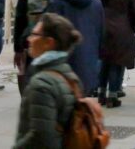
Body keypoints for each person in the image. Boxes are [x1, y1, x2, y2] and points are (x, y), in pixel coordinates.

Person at [14, 13, 85, 149]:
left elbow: (41, 136)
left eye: (35, 35)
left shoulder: (42, 84)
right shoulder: (70, 76)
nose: (29, 39)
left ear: (48, 43)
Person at [44, 0, 105, 95]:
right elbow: (101, 36)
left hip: (62, 73)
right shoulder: (95, 0)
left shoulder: (57, 1)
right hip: (88, 70)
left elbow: (49, 38)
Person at [92, 0, 135, 106]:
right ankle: (113, 95)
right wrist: (133, 28)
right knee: (116, 62)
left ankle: (100, 92)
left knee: (103, 60)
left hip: (101, 27)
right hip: (122, 28)